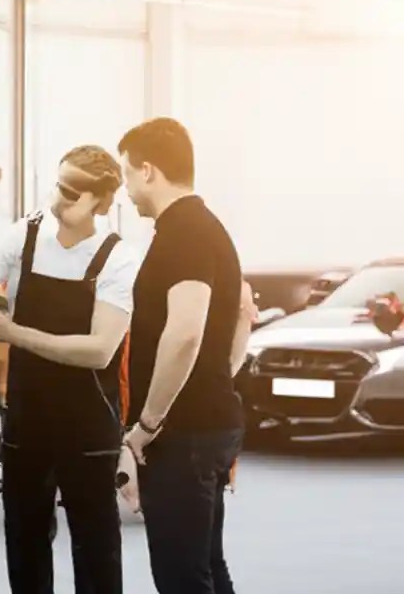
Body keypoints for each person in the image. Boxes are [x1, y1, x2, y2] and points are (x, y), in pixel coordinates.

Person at [0, 144, 141, 594]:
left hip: (89, 424)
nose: (58, 199)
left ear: (100, 201)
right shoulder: (25, 235)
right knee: (24, 535)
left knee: (95, 541)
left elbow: (99, 350)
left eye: (71, 192)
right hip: (28, 419)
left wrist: (15, 333)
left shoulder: (118, 258)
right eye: (58, 185)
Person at [116, 118, 253, 594]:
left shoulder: (184, 233)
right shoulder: (205, 228)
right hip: (206, 424)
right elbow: (242, 315)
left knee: (182, 578)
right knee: (206, 568)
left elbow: (185, 333)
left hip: (183, 435)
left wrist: (147, 426)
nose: (126, 190)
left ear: (148, 171)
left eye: (128, 174)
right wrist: (218, 379)